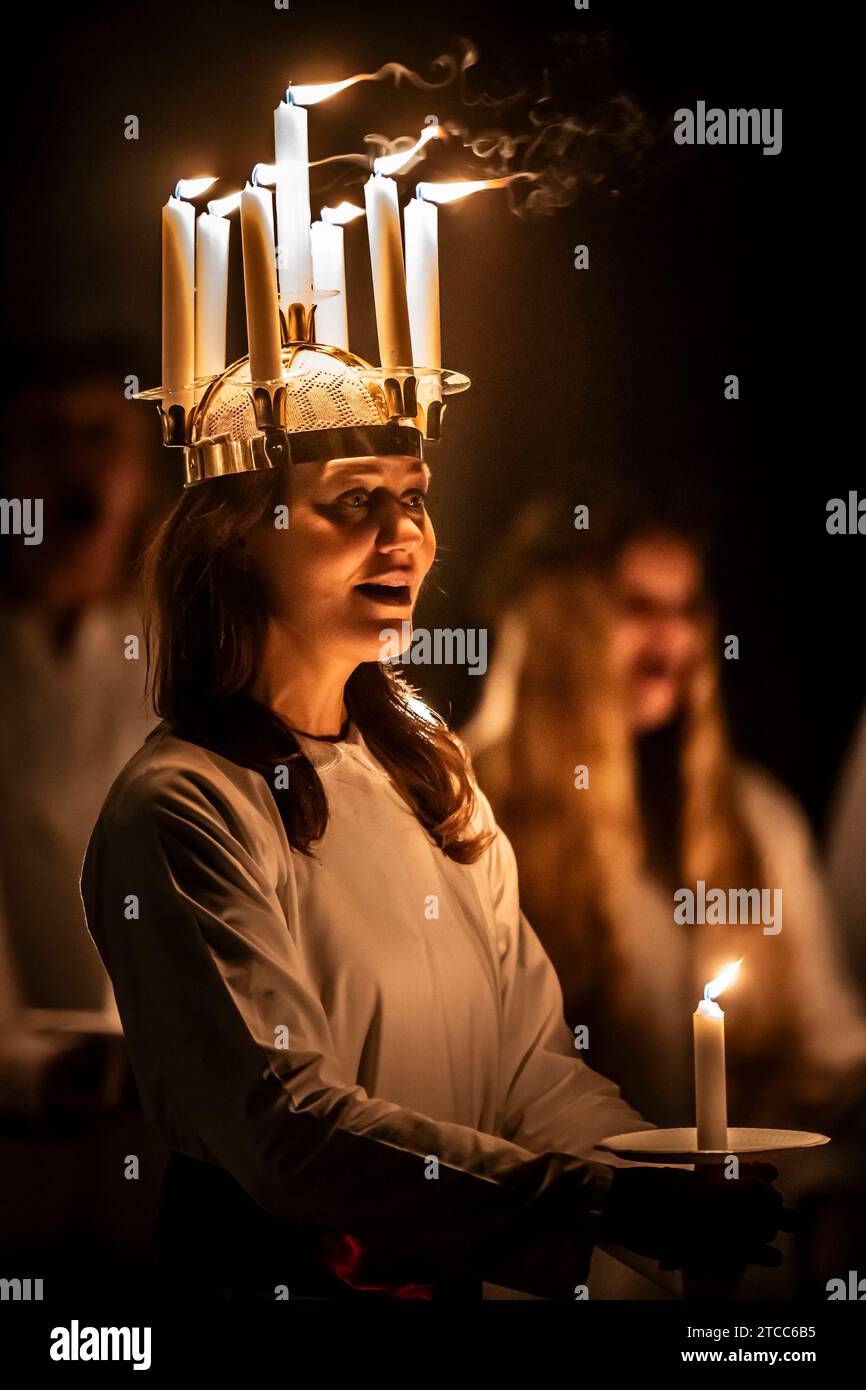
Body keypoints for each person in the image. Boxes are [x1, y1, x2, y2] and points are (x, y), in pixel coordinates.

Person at [80, 359, 785, 1300]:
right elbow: (290, 1126)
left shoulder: (428, 776)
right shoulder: (184, 805)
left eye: (415, 499)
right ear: (238, 536)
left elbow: (529, 1071)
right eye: (356, 500)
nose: (404, 533)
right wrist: (601, 1207)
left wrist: (662, 1179)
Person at [463, 494, 866, 1141]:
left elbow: (831, 1058)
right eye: (638, 608)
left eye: (686, 610)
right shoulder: (464, 810)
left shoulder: (755, 820)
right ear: (560, 619)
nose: (673, 639)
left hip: (746, 1226)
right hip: (555, 1222)